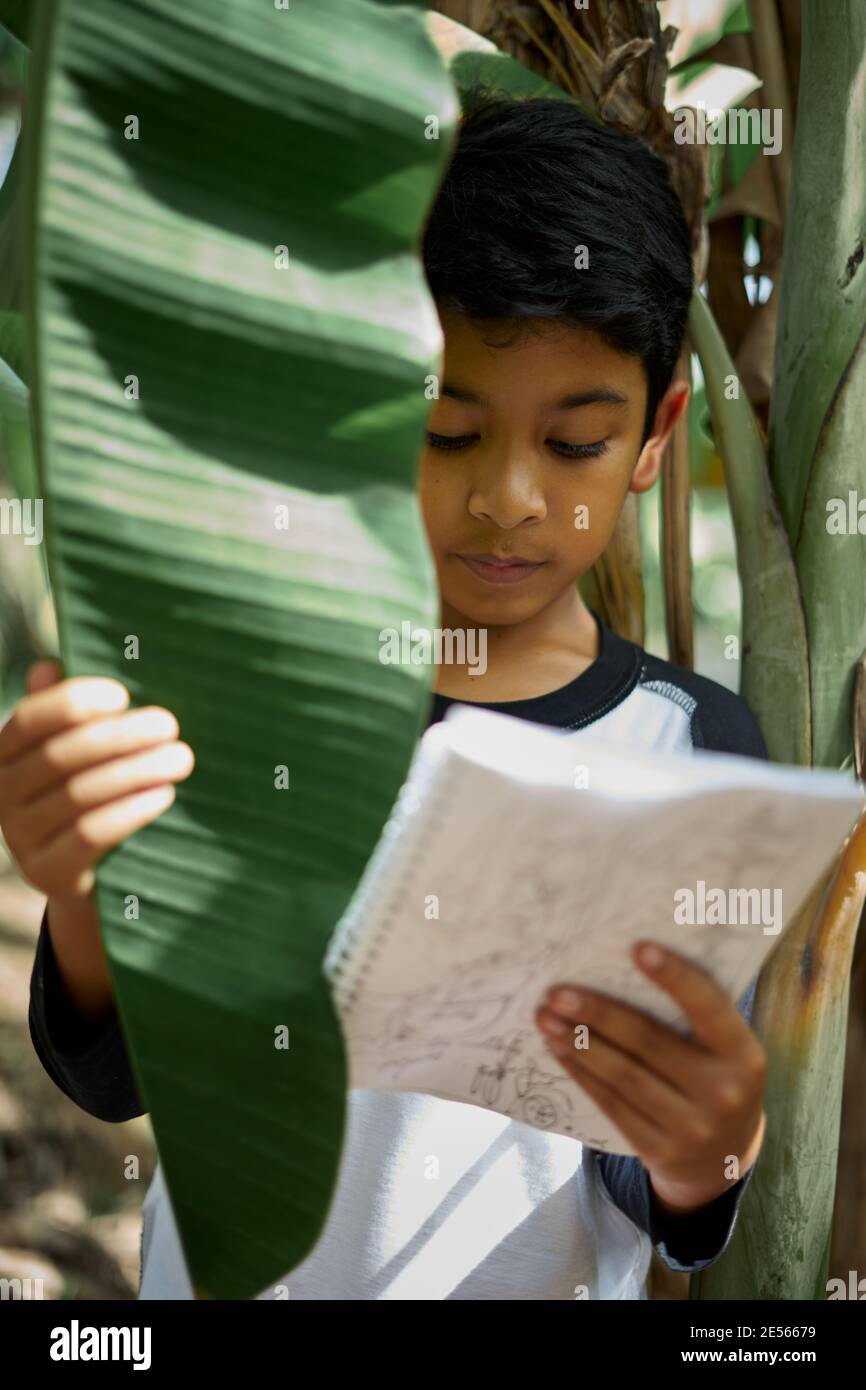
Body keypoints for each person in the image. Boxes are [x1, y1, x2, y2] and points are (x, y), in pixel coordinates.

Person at [6, 90, 768, 1300]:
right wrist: (82, 892)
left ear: (656, 433)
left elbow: (650, 1186)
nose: (510, 496)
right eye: (446, 430)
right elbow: (120, 1077)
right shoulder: (243, 698)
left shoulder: (690, 749)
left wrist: (706, 1146)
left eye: (573, 443)